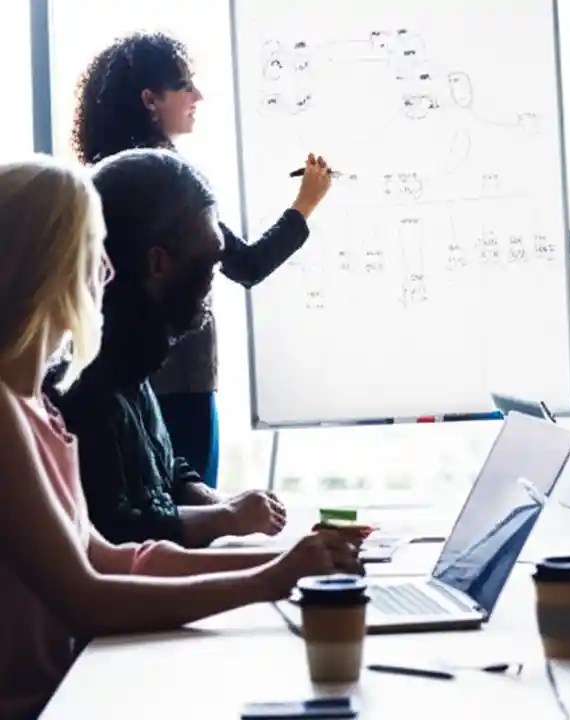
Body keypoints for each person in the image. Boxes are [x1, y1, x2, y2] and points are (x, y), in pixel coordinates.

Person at [0, 155, 359, 718]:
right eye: (95, 252)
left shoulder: (34, 405)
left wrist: (282, 559)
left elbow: (114, 559)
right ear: (51, 267)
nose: (109, 273)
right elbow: (85, 597)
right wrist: (268, 579)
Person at [72, 31, 332, 487]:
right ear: (150, 99)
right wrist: (306, 203)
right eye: (185, 85)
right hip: (178, 385)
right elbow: (248, 265)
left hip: (132, 375)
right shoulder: (166, 185)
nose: (198, 96)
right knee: (187, 511)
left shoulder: (114, 177)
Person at [50, 148, 287, 548]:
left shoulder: (129, 364)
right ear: (157, 264)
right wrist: (228, 518)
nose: (215, 278)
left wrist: (223, 503)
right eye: (209, 264)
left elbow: (161, 473)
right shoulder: (79, 383)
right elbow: (116, 531)